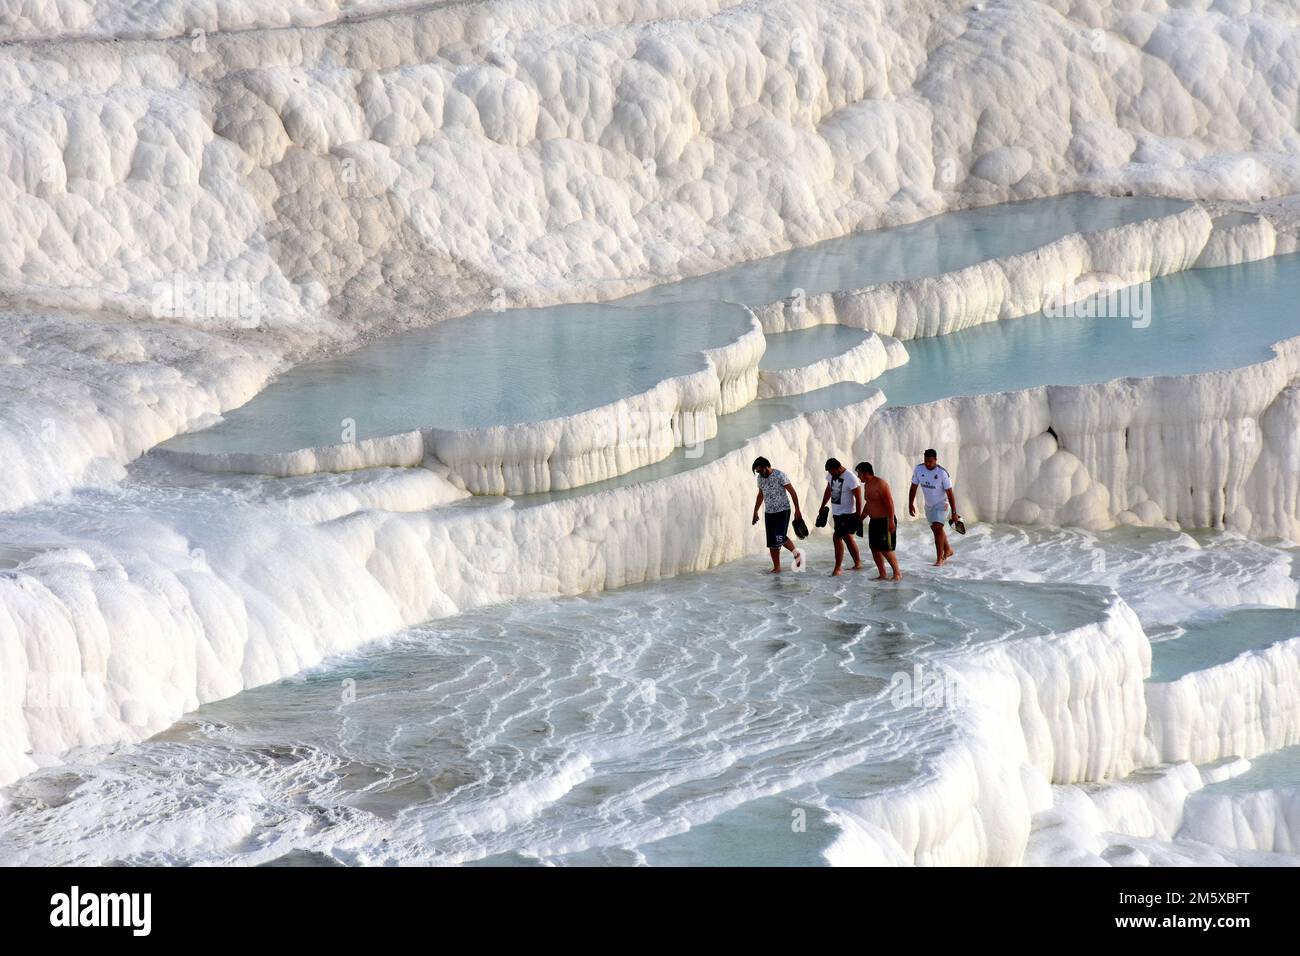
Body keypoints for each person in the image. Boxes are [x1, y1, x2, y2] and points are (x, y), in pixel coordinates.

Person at [751, 456, 805, 573]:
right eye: (757, 471)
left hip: (783, 511)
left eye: (760, 470)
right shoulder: (760, 478)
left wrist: (797, 510)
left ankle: (797, 554)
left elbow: (792, 492)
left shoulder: (780, 475)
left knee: (779, 537)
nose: (759, 473)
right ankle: (777, 567)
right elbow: (761, 495)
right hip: (769, 512)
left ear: (766, 466)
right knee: (772, 542)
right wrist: (755, 511)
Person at [909, 448, 961, 566]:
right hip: (929, 505)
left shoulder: (942, 473)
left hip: (942, 504)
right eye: (926, 461)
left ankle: (939, 559)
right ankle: (948, 550)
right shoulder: (919, 469)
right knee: (936, 530)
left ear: (936, 460)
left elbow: (950, 494)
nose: (928, 464)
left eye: (930, 461)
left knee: (937, 528)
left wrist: (954, 512)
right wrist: (910, 504)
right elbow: (913, 487)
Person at [856, 462, 901, 580]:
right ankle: (882, 574)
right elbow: (869, 503)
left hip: (885, 521)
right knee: (874, 548)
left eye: (859, 474)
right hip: (874, 521)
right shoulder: (867, 485)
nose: (858, 476)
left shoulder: (880, 484)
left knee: (886, 549)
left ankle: (897, 574)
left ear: (866, 473)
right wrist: (860, 518)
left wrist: (891, 521)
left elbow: (889, 503)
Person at [819, 458, 863, 576]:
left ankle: (837, 568)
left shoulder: (851, 478)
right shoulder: (830, 475)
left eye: (832, 472)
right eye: (829, 472)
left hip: (848, 513)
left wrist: (858, 516)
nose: (831, 474)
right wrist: (822, 505)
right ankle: (858, 563)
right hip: (837, 512)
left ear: (839, 468)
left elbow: (858, 498)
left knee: (836, 537)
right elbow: (828, 490)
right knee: (847, 538)